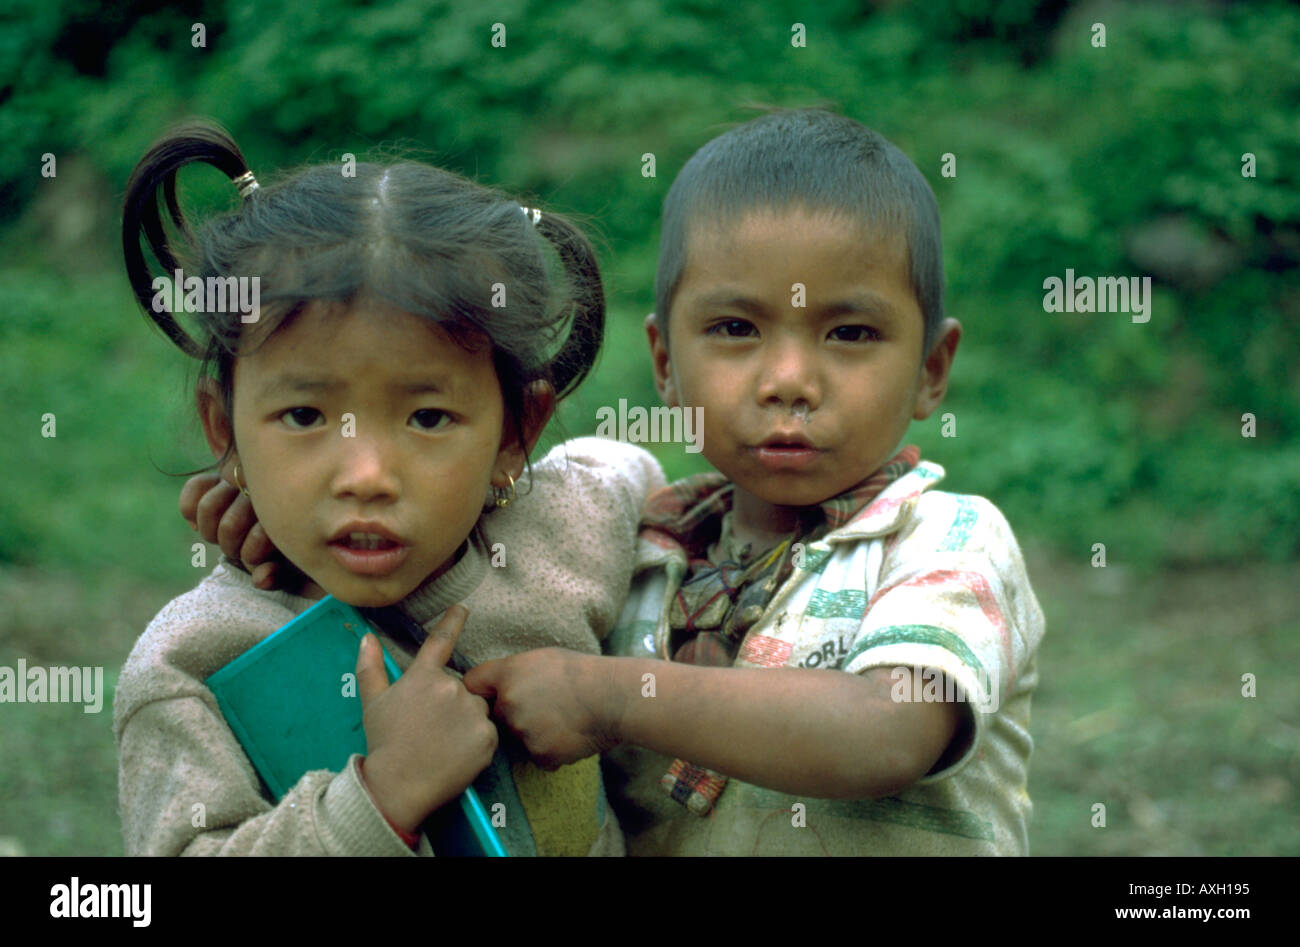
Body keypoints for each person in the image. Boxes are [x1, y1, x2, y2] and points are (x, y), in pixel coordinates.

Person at [460, 108, 1048, 855]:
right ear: (666, 363)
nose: (789, 380)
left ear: (931, 368)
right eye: (736, 328)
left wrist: (608, 696)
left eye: (850, 333)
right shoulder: (639, 553)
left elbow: (891, 729)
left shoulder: (947, 540)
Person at [115, 121, 663, 856]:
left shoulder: (569, 523)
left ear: (516, 432)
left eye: (428, 416)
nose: (366, 475)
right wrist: (377, 800)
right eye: (304, 415)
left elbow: (634, 475)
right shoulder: (197, 663)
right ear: (225, 430)